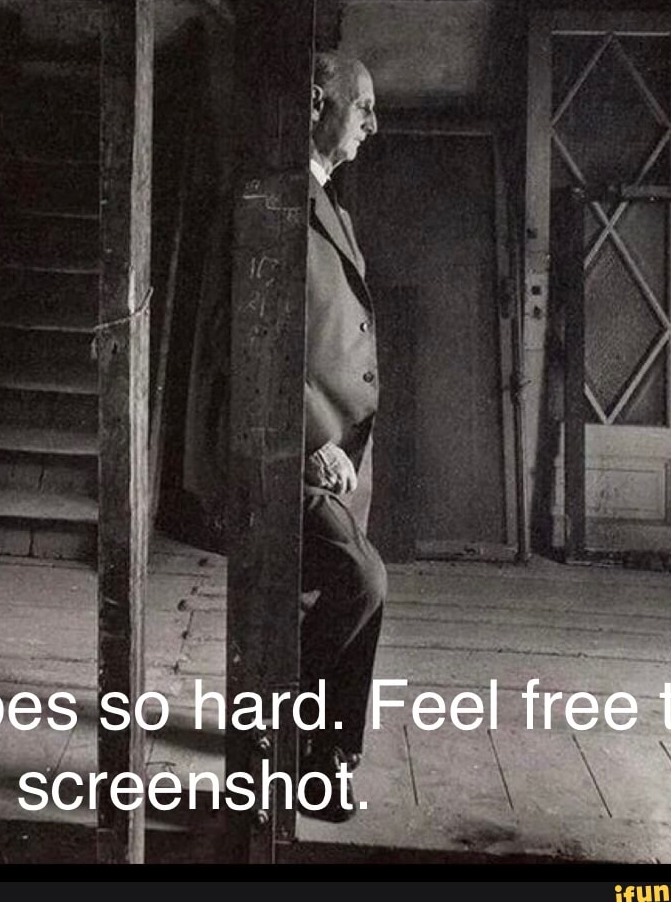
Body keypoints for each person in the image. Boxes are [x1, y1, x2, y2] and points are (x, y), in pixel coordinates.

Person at [301, 50, 387, 821]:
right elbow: (249, 336)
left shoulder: (330, 203)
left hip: (339, 455)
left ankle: (329, 756)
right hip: (290, 457)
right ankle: (276, 722)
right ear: (317, 100)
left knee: (369, 586)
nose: (370, 122)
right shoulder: (274, 197)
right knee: (361, 582)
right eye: (361, 105)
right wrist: (308, 437)